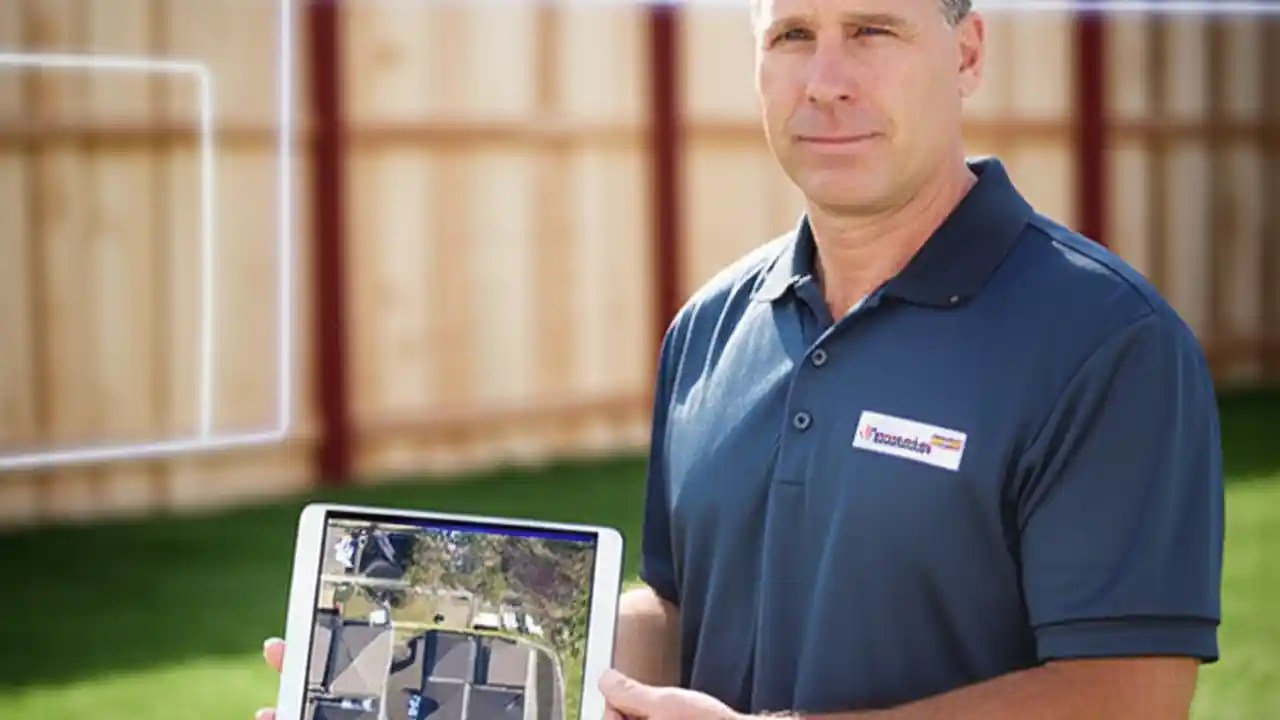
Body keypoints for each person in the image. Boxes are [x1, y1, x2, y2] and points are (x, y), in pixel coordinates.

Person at [256, 0, 1223, 718]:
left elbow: (1127, 694)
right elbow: (683, 611)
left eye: (874, 30)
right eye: (792, 35)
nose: (827, 79)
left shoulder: (1104, 339)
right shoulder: (712, 326)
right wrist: (432, 674)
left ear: (966, 54)